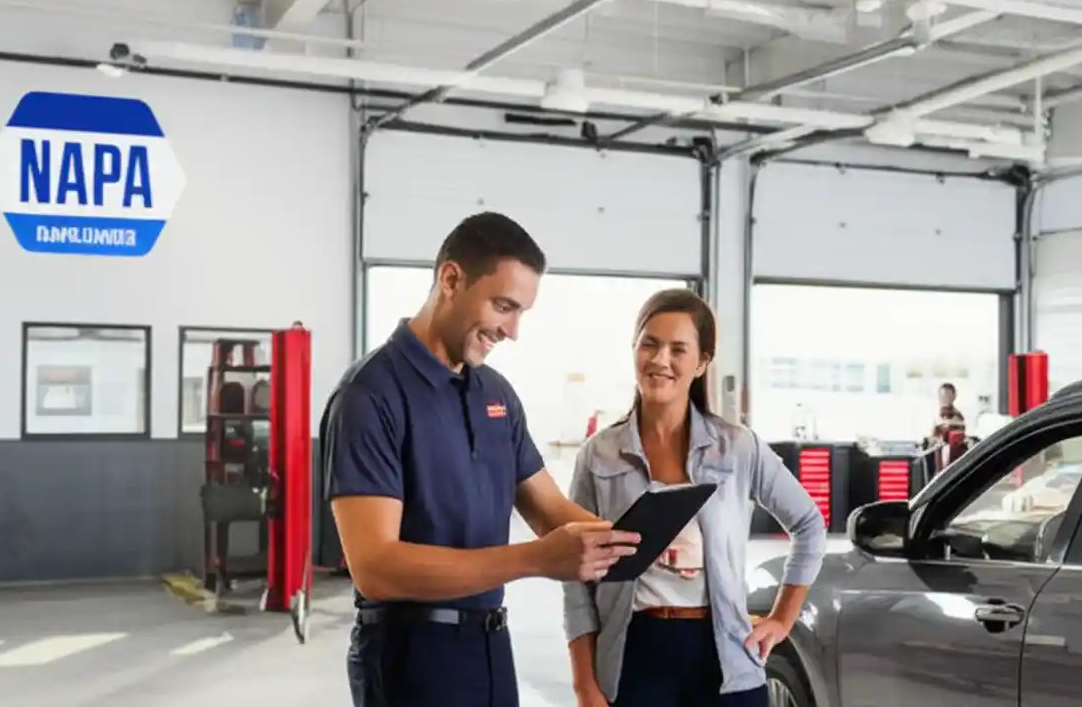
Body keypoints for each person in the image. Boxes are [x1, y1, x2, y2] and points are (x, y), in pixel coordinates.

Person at [321, 211, 642, 707]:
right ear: (451, 279)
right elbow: (376, 567)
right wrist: (533, 560)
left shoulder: (495, 393)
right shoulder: (370, 395)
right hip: (408, 656)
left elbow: (549, 509)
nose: (511, 331)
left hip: (490, 645)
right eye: (503, 306)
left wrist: (637, 542)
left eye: (521, 313)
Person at [563, 288, 827, 707]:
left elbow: (809, 525)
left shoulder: (738, 447)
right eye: (649, 343)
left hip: (724, 658)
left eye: (678, 349)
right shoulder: (599, 455)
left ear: (702, 362)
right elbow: (575, 580)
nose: (660, 360)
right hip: (634, 656)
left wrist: (781, 619)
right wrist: (584, 683)